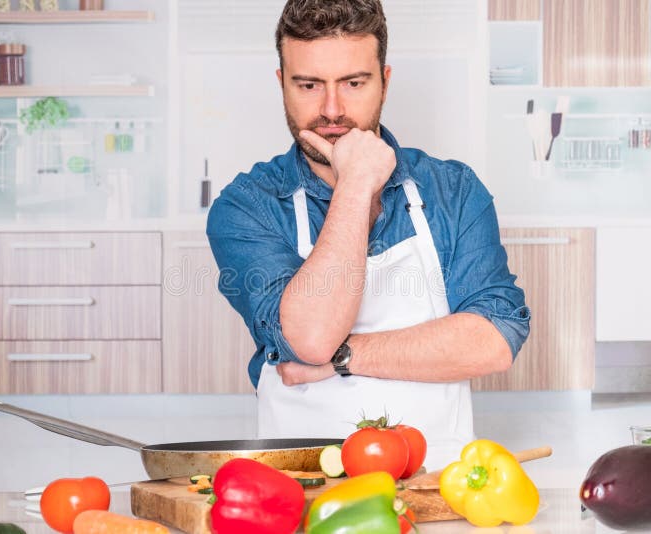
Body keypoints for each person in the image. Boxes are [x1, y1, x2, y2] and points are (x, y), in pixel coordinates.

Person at [206, 0, 530, 469]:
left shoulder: (453, 191)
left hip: (438, 476)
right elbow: (311, 339)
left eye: (354, 83)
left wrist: (345, 357)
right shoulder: (248, 206)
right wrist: (357, 182)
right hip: (301, 479)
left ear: (385, 80)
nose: (332, 110)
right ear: (282, 83)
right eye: (309, 84)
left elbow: (494, 340)